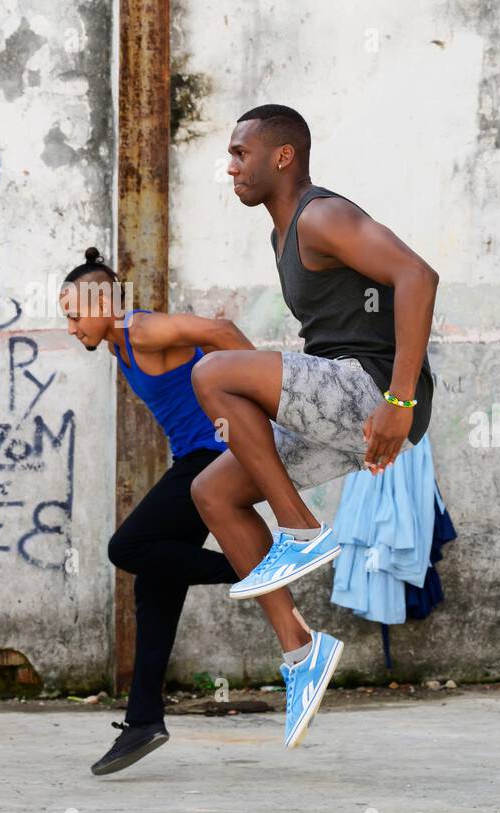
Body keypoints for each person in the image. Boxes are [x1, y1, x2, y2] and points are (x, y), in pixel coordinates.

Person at [188, 104, 438, 747]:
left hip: (373, 389)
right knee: (213, 493)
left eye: (241, 153)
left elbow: (417, 274)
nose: (231, 165)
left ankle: (299, 528)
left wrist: (401, 400)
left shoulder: (320, 215)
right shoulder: (280, 234)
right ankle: (301, 651)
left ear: (283, 157)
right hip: (341, 397)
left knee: (213, 371)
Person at [60, 247, 249, 774]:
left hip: (216, 456)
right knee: (154, 582)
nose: (71, 328)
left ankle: (253, 566)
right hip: (197, 458)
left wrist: (267, 410)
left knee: (128, 548)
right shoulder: (121, 347)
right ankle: (144, 720)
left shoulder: (141, 331)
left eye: (75, 315)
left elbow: (224, 332)